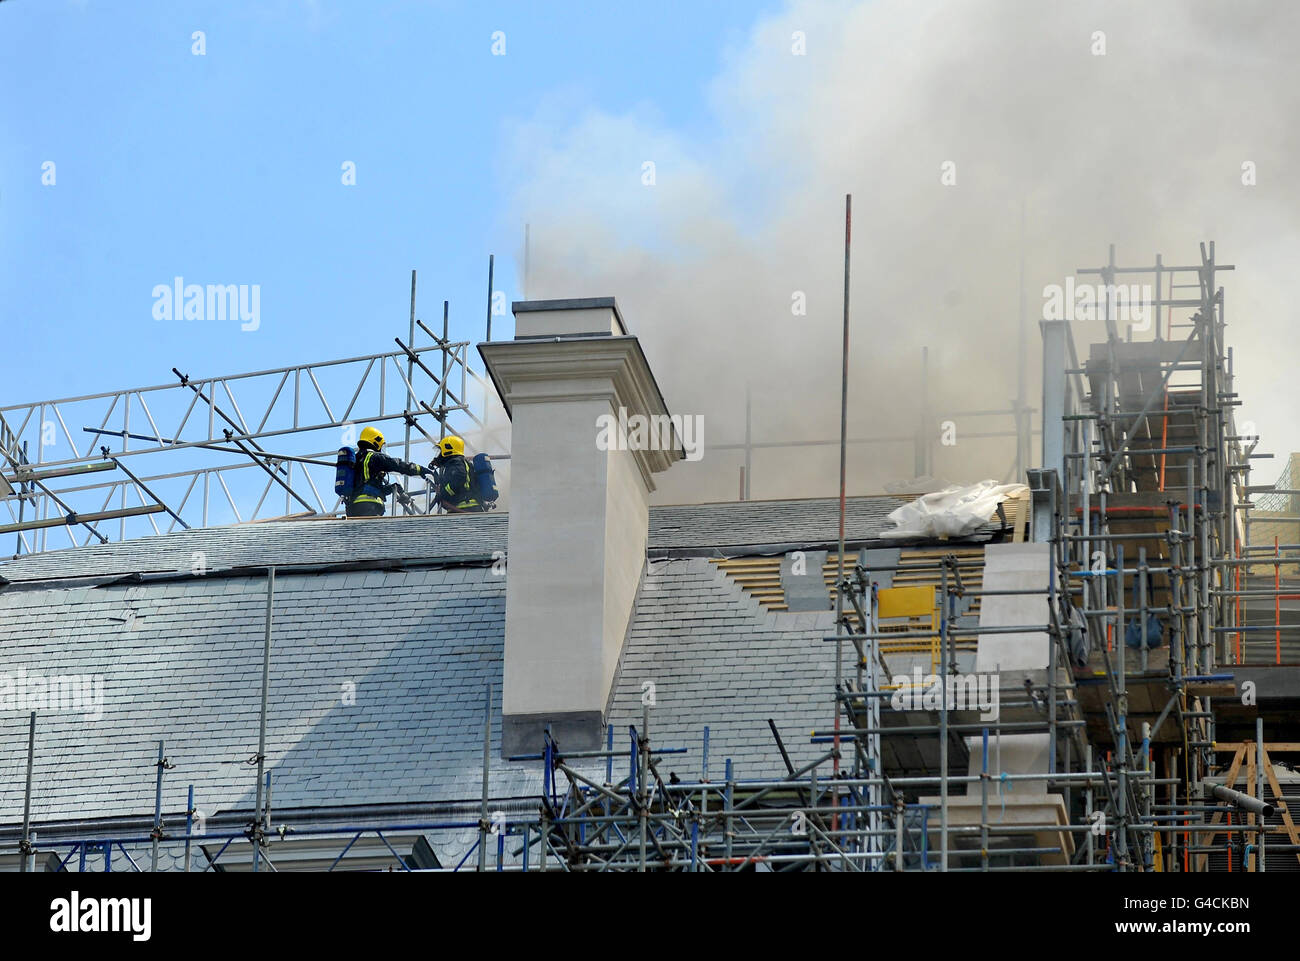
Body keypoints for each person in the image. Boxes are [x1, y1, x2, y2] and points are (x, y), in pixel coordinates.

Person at [346, 426, 431, 517]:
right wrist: (421, 470)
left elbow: (369, 487)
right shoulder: (375, 457)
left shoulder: (354, 459)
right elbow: (399, 465)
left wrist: (395, 488)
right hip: (370, 506)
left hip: (352, 508)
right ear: (376, 441)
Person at [431, 435, 483, 512]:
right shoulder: (462, 463)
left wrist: (443, 494)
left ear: (448, 449)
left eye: (441, 451)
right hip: (469, 507)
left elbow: (459, 478)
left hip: (464, 507)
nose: (439, 455)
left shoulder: (455, 462)